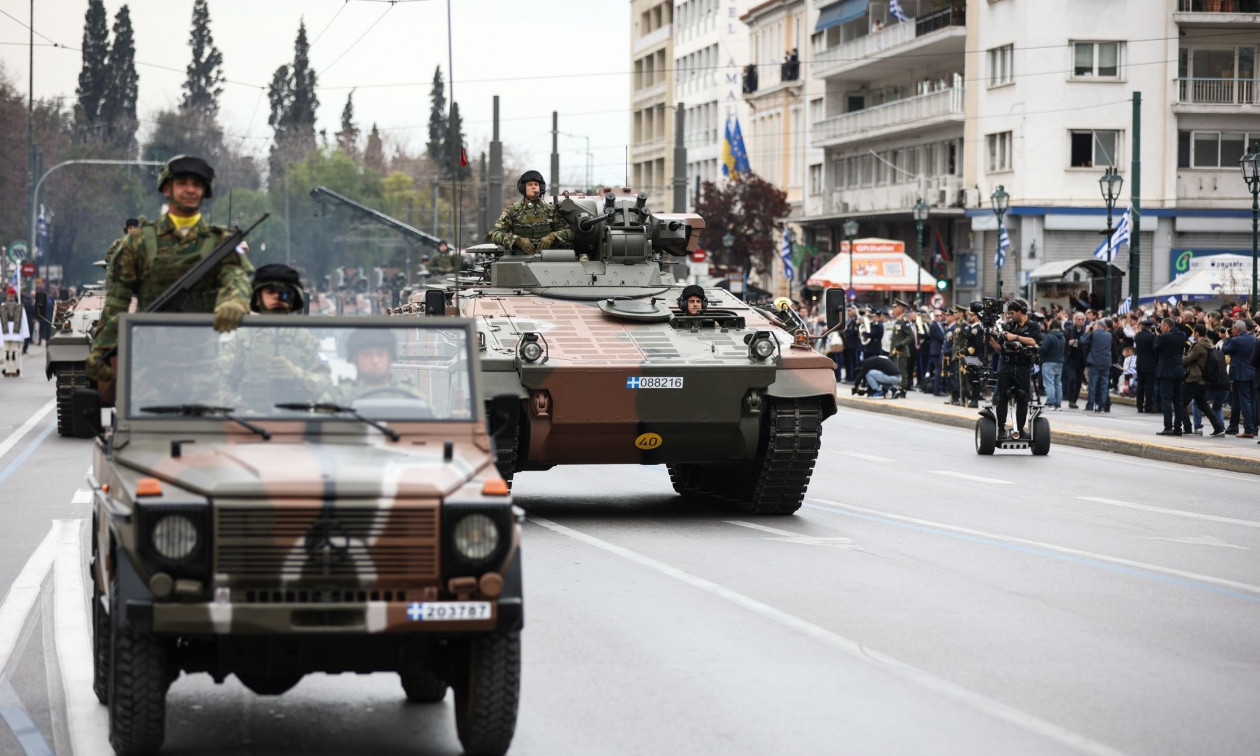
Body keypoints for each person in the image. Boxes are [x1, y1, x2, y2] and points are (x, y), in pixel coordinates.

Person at [86, 155, 254, 384]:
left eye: (197, 185)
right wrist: (101, 349)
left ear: (204, 191)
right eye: (182, 183)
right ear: (167, 188)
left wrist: (233, 302)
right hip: (150, 366)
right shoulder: (139, 242)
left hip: (205, 366)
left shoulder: (219, 243)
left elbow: (237, 281)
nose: (190, 190)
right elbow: (117, 301)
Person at [219, 264, 330, 412]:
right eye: (270, 292)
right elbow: (220, 383)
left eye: (284, 293)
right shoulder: (243, 338)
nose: (277, 297)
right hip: (248, 426)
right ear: (258, 299)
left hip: (294, 425)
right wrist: (246, 413)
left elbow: (324, 383)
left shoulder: (305, 339)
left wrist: (296, 374)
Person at [987, 299, 1041, 439]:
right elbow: (1000, 349)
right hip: (1006, 365)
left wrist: (1015, 337)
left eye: (1012, 313)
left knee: (1023, 398)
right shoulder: (1008, 326)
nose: (1010, 316)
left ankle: (1021, 430)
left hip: (1023, 367)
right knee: (1002, 397)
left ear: (1020, 312)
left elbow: (1034, 341)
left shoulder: (1033, 325)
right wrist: (992, 342)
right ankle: (1001, 430)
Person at [487, 170, 573, 253]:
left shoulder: (551, 210)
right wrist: (517, 240)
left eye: (536, 184)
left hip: (547, 257)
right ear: (523, 188)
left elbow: (569, 232)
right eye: (530, 184)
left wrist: (552, 236)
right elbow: (496, 234)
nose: (534, 187)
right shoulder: (512, 210)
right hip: (518, 257)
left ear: (541, 187)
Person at [1184, 324, 1226, 437]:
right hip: (1203, 379)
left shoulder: (1199, 346)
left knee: (1181, 403)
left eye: (1194, 332)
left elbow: (1188, 360)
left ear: (1197, 333)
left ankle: (1187, 427)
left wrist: (1180, 357)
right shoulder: (1209, 345)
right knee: (1203, 404)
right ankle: (1218, 427)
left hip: (1195, 379)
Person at [1153, 317, 1191, 436]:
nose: (1161, 328)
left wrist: (1158, 336)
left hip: (1166, 372)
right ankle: (1178, 428)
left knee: (1166, 400)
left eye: (1162, 326)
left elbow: (1155, 349)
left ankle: (1168, 426)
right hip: (1178, 371)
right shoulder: (1182, 335)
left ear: (1166, 326)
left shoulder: (1164, 337)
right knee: (1178, 401)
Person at [1222, 320, 1257, 438]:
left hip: (1240, 375)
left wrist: (1227, 338)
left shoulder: (1235, 340)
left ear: (1238, 329)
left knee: (1245, 402)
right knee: (1250, 402)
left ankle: (1248, 429)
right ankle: (1250, 426)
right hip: (1252, 374)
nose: (1231, 331)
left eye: (1232, 329)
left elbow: (1225, 350)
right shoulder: (1253, 339)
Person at [1081, 318, 1113, 413]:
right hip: (1106, 362)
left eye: (1094, 326)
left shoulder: (1094, 334)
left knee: (1093, 385)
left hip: (1095, 362)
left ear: (1098, 326)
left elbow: (1083, 341)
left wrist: (1087, 331)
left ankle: (1090, 406)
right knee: (1104, 386)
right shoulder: (1109, 335)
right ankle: (1102, 406)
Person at [2, 287, 30, 377]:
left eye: (11, 295)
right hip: (13, 333)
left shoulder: (3, 306)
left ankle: (9, 370)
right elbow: (24, 321)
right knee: (11, 352)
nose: (10, 297)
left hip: (8, 333)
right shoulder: (19, 307)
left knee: (10, 352)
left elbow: (24, 321)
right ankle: (11, 370)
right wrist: (25, 334)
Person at [1039, 317, 1066, 410]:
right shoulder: (1062, 337)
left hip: (1049, 361)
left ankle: (1050, 402)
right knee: (1057, 383)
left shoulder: (1049, 336)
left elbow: (1043, 349)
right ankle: (1057, 403)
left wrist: (1038, 349)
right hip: (1059, 362)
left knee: (1049, 382)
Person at [889, 300, 915, 390]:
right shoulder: (898, 321)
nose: (893, 309)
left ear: (900, 309)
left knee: (902, 372)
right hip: (896, 351)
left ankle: (902, 389)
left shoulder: (904, 321)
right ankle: (897, 387)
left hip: (901, 351)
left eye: (895, 307)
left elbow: (911, 336)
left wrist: (901, 344)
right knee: (896, 371)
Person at [1133, 318, 1156, 412]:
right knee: (1149, 386)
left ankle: (1139, 405)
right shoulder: (1151, 337)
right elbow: (1154, 349)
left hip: (1140, 363)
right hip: (1150, 364)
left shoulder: (1137, 336)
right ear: (1150, 327)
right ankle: (1148, 406)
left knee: (1140, 386)